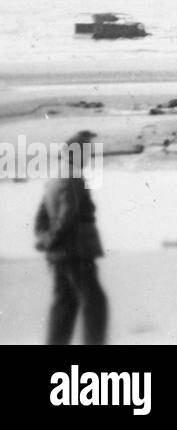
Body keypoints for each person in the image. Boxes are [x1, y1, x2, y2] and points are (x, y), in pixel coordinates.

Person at [34, 130, 108, 345]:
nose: (90, 158)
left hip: (60, 253)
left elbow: (41, 217)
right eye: (88, 153)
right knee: (94, 301)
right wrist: (52, 240)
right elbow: (68, 217)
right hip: (76, 250)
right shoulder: (74, 176)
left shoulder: (56, 176)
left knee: (64, 302)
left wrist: (45, 240)